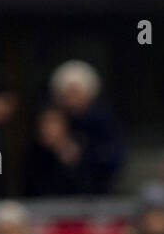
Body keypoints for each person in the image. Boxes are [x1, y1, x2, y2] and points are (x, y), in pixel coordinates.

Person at [47, 60, 125, 195]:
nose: (71, 99)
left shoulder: (103, 122)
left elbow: (114, 159)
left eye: (75, 92)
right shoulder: (52, 119)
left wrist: (81, 156)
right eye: (67, 93)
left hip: (97, 194)